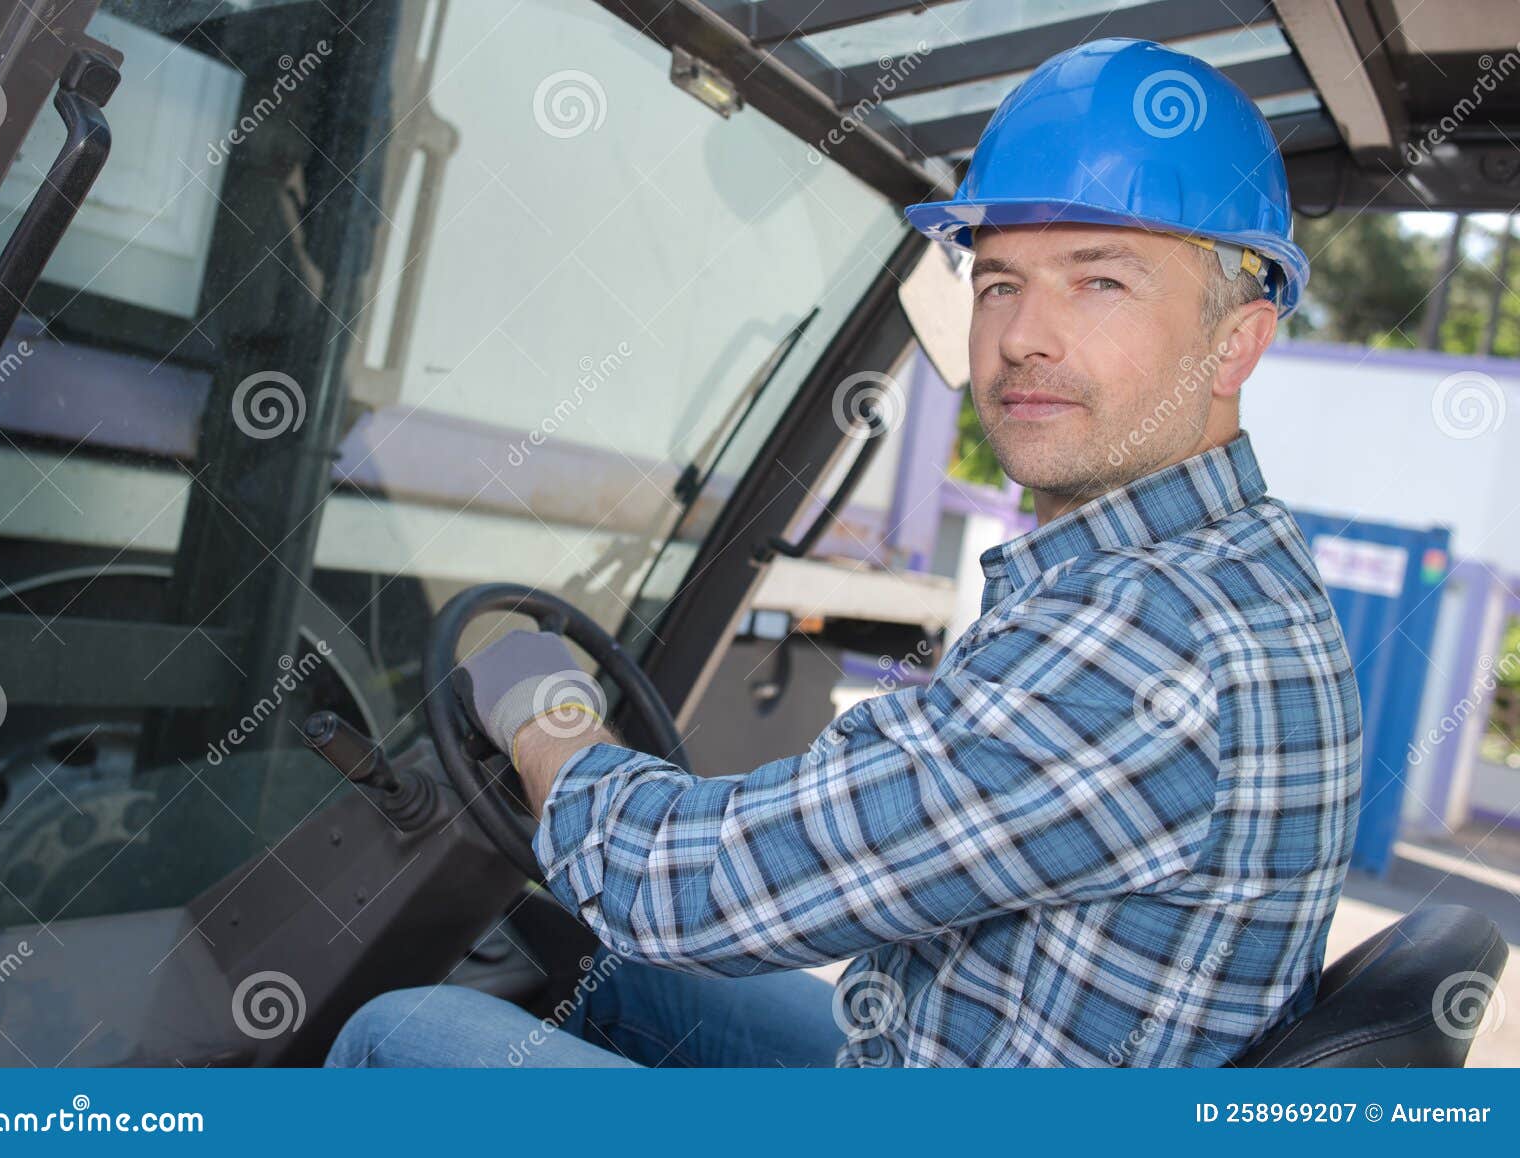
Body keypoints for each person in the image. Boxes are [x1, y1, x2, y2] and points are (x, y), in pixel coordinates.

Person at [327, 37, 1361, 1069]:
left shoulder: (1143, 639)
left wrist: (538, 715)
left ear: (1236, 342)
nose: (1022, 337)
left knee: (398, 1037)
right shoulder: (1238, 573)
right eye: (999, 282)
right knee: (598, 965)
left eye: (1099, 282)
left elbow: (680, 889)